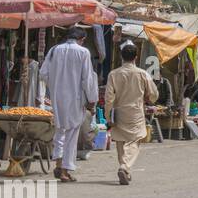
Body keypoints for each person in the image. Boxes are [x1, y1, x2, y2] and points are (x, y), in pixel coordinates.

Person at [40, 26, 99, 183]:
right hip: (75, 98)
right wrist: (92, 99)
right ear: (81, 39)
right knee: (72, 134)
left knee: (59, 131)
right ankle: (65, 171)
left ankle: (59, 164)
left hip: (57, 98)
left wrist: (54, 86)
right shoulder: (83, 52)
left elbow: (43, 73)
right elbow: (88, 79)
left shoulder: (54, 50)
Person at [105, 41, 157, 185]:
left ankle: (125, 170)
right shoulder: (142, 74)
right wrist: (150, 99)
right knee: (134, 140)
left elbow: (108, 98)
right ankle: (125, 166)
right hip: (135, 112)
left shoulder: (113, 74)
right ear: (136, 57)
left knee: (120, 141)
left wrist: (108, 116)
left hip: (118, 112)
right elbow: (153, 94)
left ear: (122, 56)